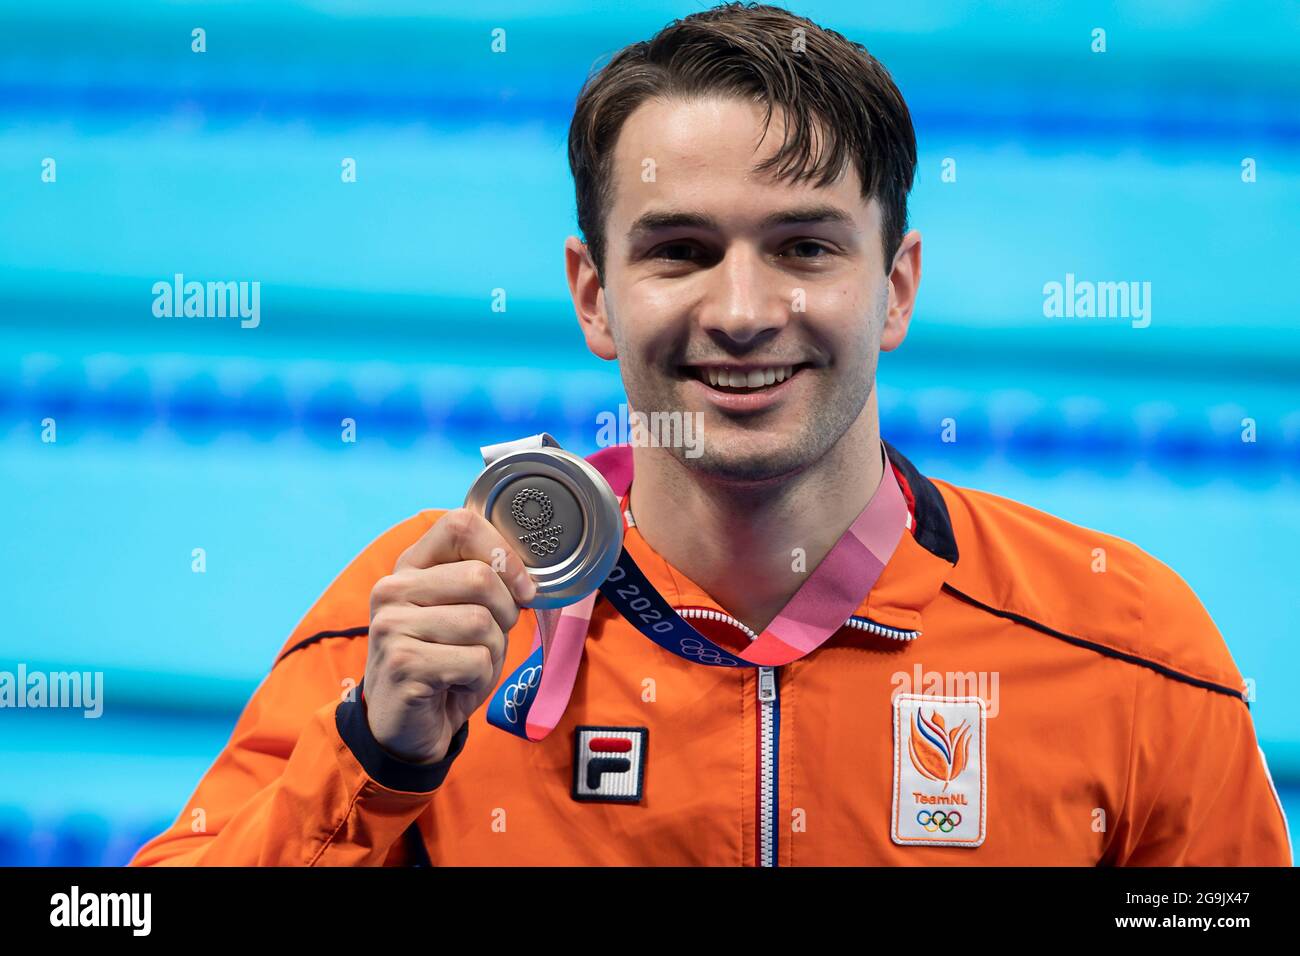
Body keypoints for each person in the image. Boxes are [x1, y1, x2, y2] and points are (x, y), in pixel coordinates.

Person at [131, 2, 1290, 866]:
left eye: (804, 246)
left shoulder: (1127, 646)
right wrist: (379, 760)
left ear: (895, 286)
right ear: (594, 295)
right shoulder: (426, 625)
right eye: (679, 250)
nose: (741, 313)